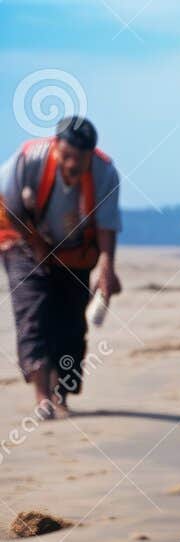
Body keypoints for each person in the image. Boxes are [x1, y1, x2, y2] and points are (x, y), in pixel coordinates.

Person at [0, 116, 121, 418]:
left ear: (91, 155)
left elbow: (107, 226)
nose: (72, 164)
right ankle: (42, 396)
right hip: (22, 240)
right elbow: (8, 206)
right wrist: (35, 242)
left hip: (75, 249)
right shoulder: (29, 159)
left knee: (71, 323)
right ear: (55, 146)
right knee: (33, 313)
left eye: (80, 158)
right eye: (66, 156)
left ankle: (60, 393)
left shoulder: (105, 173)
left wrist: (107, 266)